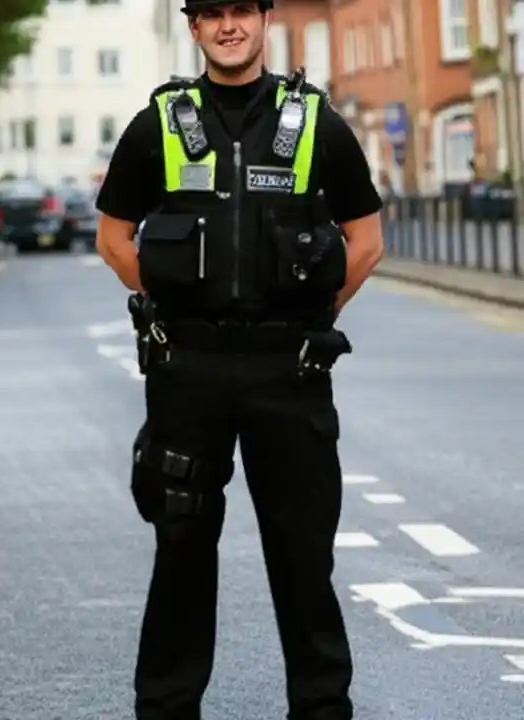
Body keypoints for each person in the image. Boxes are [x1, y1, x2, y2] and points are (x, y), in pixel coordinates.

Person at [94, 1, 384, 719]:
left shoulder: (313, 122)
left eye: (242, 13)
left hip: (290, 372)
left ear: (264, 21)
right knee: (182, 551)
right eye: (212, 15)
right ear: (194, 29)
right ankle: (167, 709)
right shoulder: (159, 125)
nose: (229, 27)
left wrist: (312, 319)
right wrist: (171, 309)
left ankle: (320, 710)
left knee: (303, 560)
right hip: (187, 373)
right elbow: (113, 236)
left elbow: (366, 239)